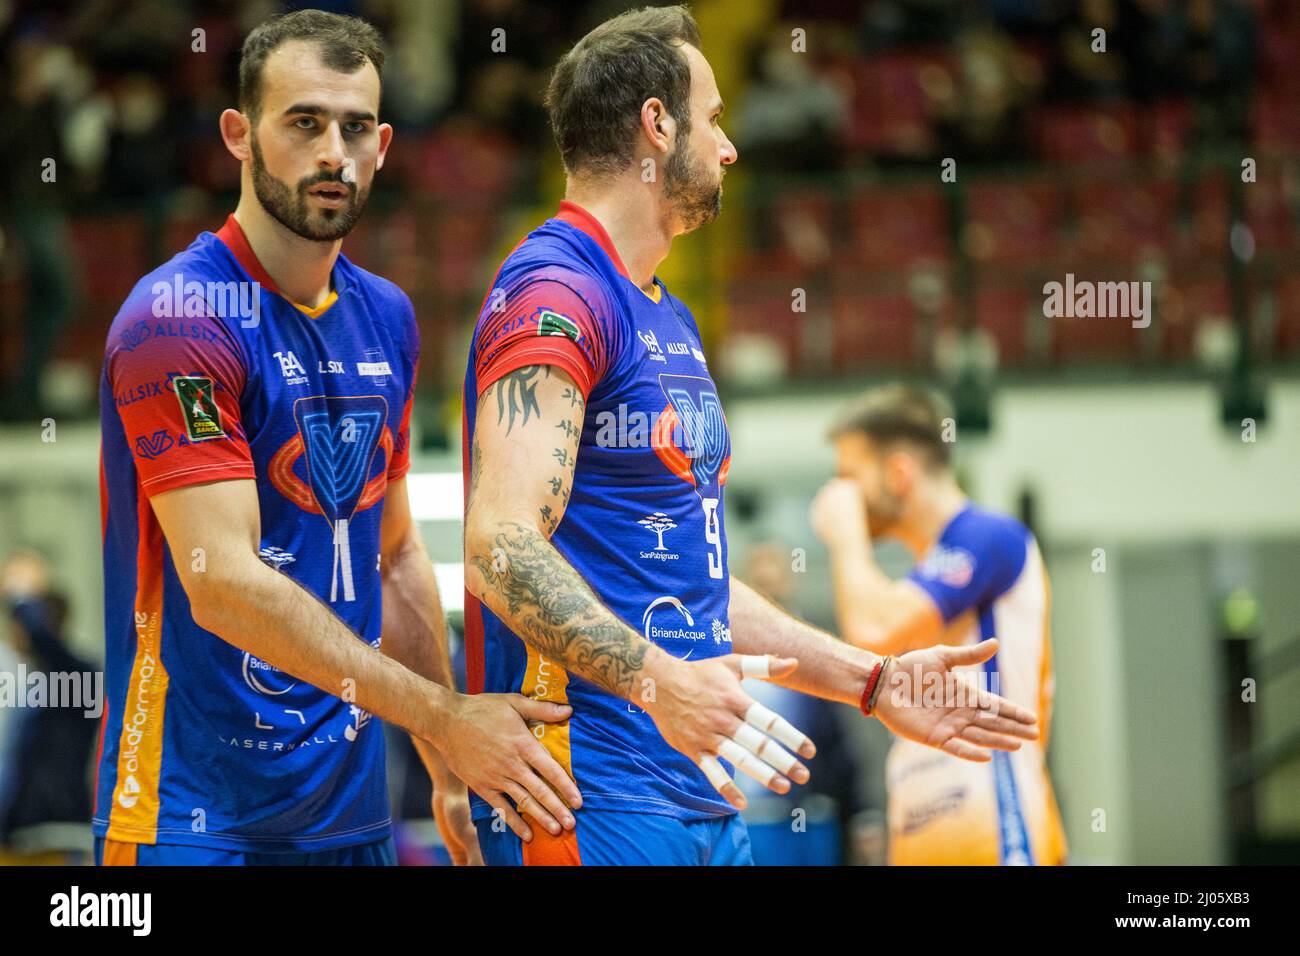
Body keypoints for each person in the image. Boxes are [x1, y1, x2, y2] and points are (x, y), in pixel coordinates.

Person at [462, 5, 1040, 867]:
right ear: (657, 126)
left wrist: (872, 684)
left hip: (696, 789)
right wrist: (661, 684)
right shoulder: (555, 291)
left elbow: (699, 586)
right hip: (586, 794)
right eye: (714, 118)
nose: (728, 147)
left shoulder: (669, 313)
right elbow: (499, 546)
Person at [95, 9, 579, 867]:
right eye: (305, 122)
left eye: (356, 128)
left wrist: (446, 766)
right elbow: (225, 587)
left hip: (352, 822)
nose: (334, 153)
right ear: (239, 135)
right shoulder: (177, 317)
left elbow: (393, 559)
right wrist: (441, 716)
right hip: (189, 821)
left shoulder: (386, 314)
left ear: (385, 144)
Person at [811, 384, 1067, 865]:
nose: (838, 494)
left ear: (900, 472)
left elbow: (870, 627)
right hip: (923, 830)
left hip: (995, 828)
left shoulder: (989, 536)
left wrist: (845, 537)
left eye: (849, 476)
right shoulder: (920, 582)